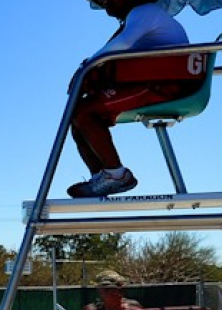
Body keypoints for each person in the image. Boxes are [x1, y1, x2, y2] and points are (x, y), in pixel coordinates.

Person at [66, 0, 200, 198]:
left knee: (84, 112)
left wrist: (86, 70)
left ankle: (116, 176)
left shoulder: (145, 11)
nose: (105, 6)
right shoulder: (138, 16)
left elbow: (121, 45)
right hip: (156, 82)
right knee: (78, 116)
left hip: (165, 86)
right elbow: (114, 51)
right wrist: (89, 72)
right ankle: (102, 178)